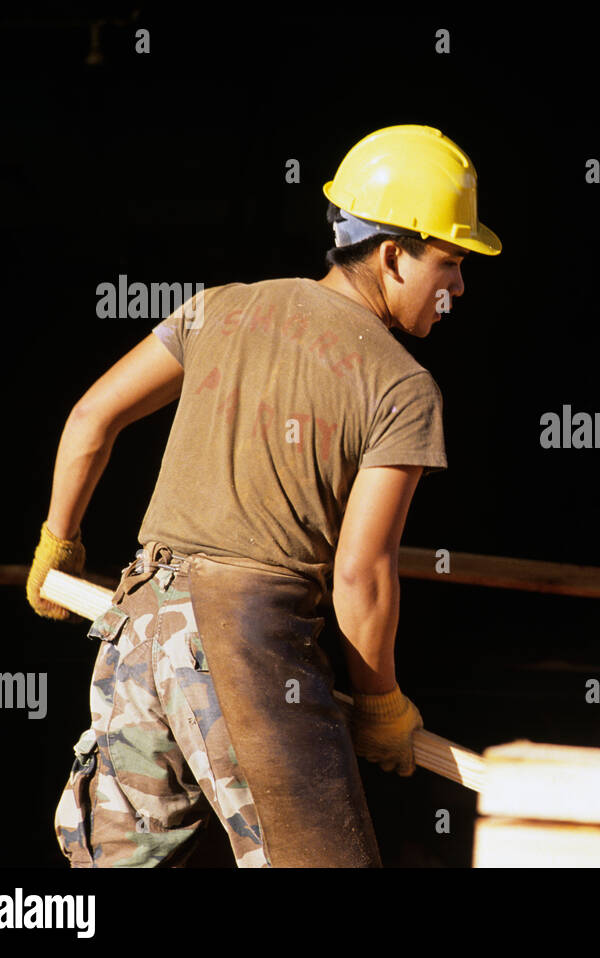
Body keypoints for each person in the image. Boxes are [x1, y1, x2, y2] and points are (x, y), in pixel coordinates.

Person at [26, 124, 501, 867]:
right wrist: (380, 705)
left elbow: (91, 417)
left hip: (138, 628)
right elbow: (360, 575)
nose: (459, 287)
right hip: (247, 651)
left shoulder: (219, 308)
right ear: (390, 254)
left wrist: (60, 541)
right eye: (449, 262)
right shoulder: (402, 386)